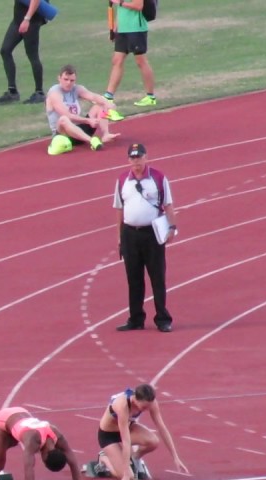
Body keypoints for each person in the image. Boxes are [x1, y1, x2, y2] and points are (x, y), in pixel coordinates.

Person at [113, 142, 177, 332]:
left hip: (152, 234)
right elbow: (119, 210)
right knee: (134, 279)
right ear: (128, 160)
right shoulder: (122, 180)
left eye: (139, 157)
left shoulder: (158, 178)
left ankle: (163, 319)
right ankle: (136, 318)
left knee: (157, 277)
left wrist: (172, 227)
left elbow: (168, 205)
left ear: (146, 157)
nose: (136, 161)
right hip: (130, 234)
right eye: (133, 158)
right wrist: (119, 237)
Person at [89, 383, 189, 480]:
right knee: (129, 477)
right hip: (108, 436)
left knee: (153, 441)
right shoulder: (122, 405)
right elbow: (126, 440)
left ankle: (133, 460)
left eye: (149, 406)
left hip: (129, 429)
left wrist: (175, 457)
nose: (147, 409)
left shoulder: (151, 402)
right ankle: (104, 459)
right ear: (135, 399)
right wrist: (126, 474)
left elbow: (162, 428)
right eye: (144, 407)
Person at [45, 64, 119, 156]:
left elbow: (93, 96)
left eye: (72, 80)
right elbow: (68, 115)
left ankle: (105, 134)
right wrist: (88, 121)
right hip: (63, 136)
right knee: (63, 119)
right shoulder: (54, 92)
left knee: (100, 105)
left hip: (80, 131)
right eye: (66, 79)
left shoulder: (76, 88)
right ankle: (92, 141)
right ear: (59, 78)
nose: (69, 83)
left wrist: (107, 103)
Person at [104, 0, 158, 107]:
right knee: (117, 61)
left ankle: (150, 97)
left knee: (141, 61)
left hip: (136, 29)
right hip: (123, 29)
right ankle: (108, 96)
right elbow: (120, 11)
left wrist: (120, 2)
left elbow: (138, 6)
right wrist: (115, 29)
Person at [0, 0, 48, 105]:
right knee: (5, 50)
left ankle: (39, 92)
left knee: (32, 55)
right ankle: (12, 91)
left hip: (31, 20)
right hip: (18, 18)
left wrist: (27, 19)